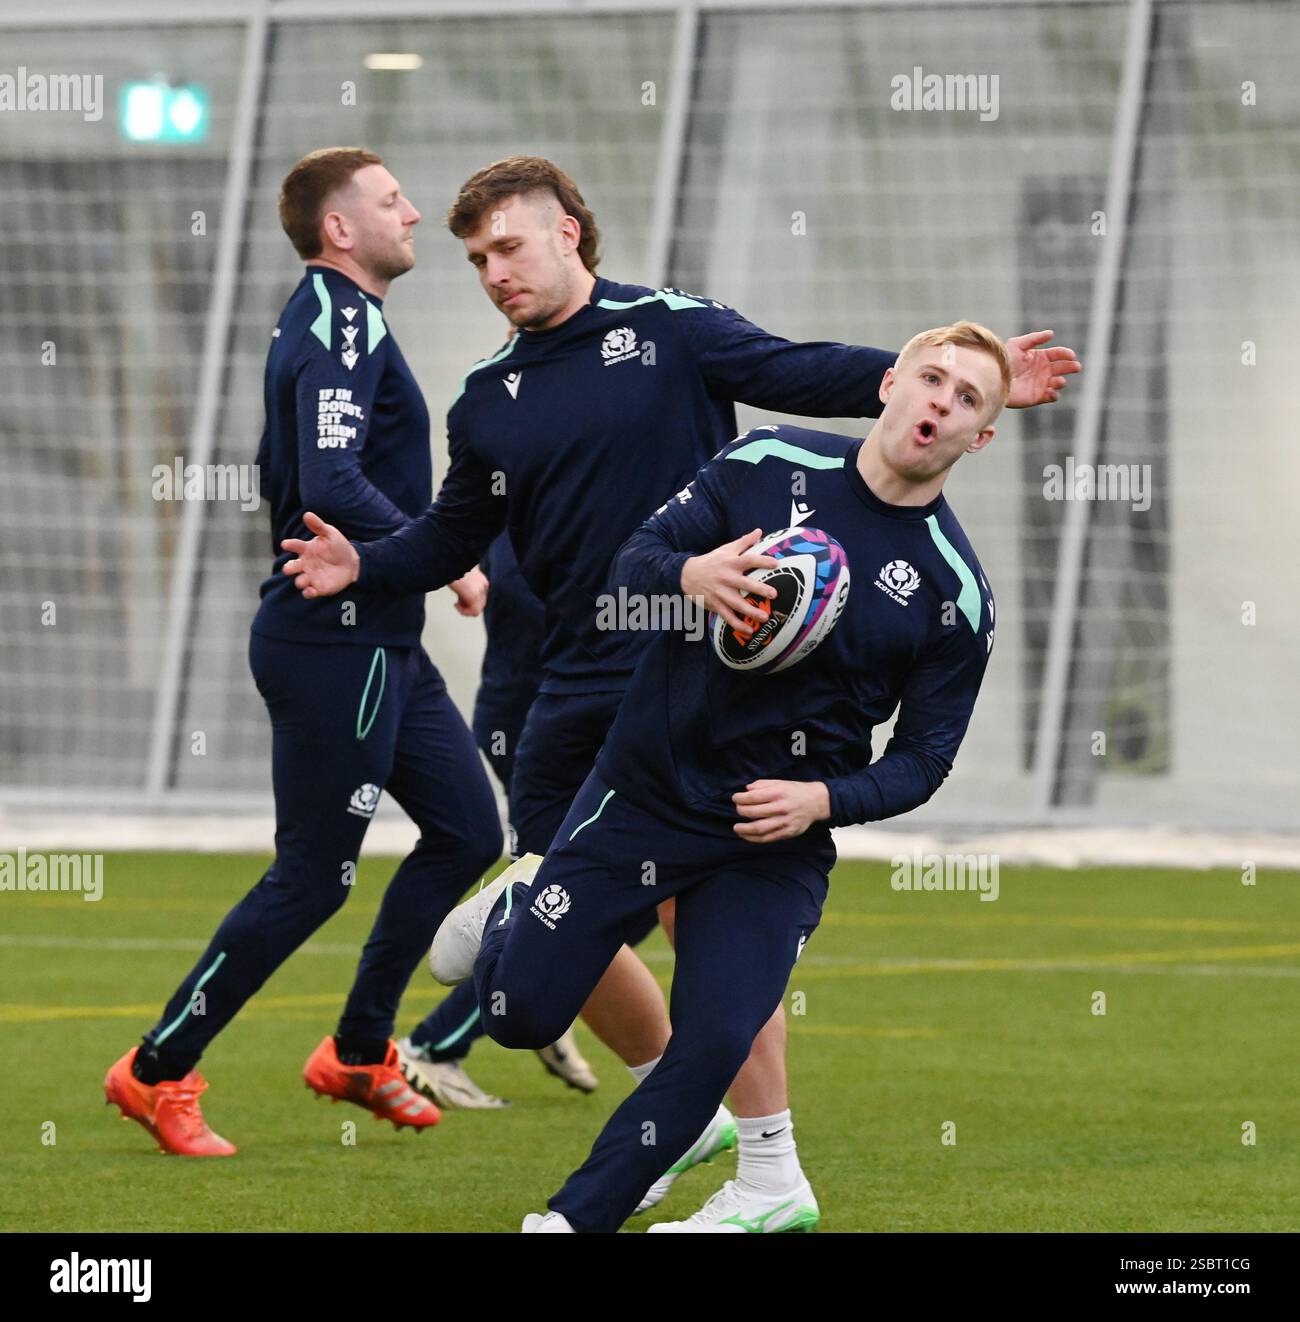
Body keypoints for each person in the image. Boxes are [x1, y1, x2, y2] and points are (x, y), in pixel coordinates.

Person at [280, 156, 1078, 1217]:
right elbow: (449, 535)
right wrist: (366, 566)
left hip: (711, 672)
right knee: (570, 937)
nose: (491, 272)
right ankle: (593, 971)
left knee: (726, 927)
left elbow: (806, 371)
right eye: (475, 260)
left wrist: (956, 379)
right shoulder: (485, 402)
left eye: (508, 246)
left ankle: (756, 1154)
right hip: (572, 679)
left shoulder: (671, 328)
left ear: (568, 232)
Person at [426, 321, 1012, 1232]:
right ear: (890, 383)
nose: (941, 400)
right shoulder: (767, 460)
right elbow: (633, 567)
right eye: (932, 378)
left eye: (968, 398)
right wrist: (693, 573)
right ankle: (520, 899)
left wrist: (823, 799)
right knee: (518, 1014)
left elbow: (924, 760)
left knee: (711, 1042)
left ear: (982, 436)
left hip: (767, 840)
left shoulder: (955, 593)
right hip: (645, 793)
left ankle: (574, 1220)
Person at [103, 148, 502, 1153]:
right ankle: (156, 1069)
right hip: (333, 642)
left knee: (465, 830)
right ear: (338, 229)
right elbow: (327, 478)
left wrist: (414, 558)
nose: (412, 211)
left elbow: (326, 469)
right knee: (313, 876)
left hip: (381, 641)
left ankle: (358, 1048)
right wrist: (441, 557)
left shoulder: (351, 319)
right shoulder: (338, 319)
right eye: (388, 198)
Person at [396, 534, 601, 1108]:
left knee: (605, 897)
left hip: (549, 721)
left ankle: (542, 1003)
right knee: (579, 897)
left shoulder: (544, 500)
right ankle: (436, 1045)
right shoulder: (545, 513)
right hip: (541, 727)